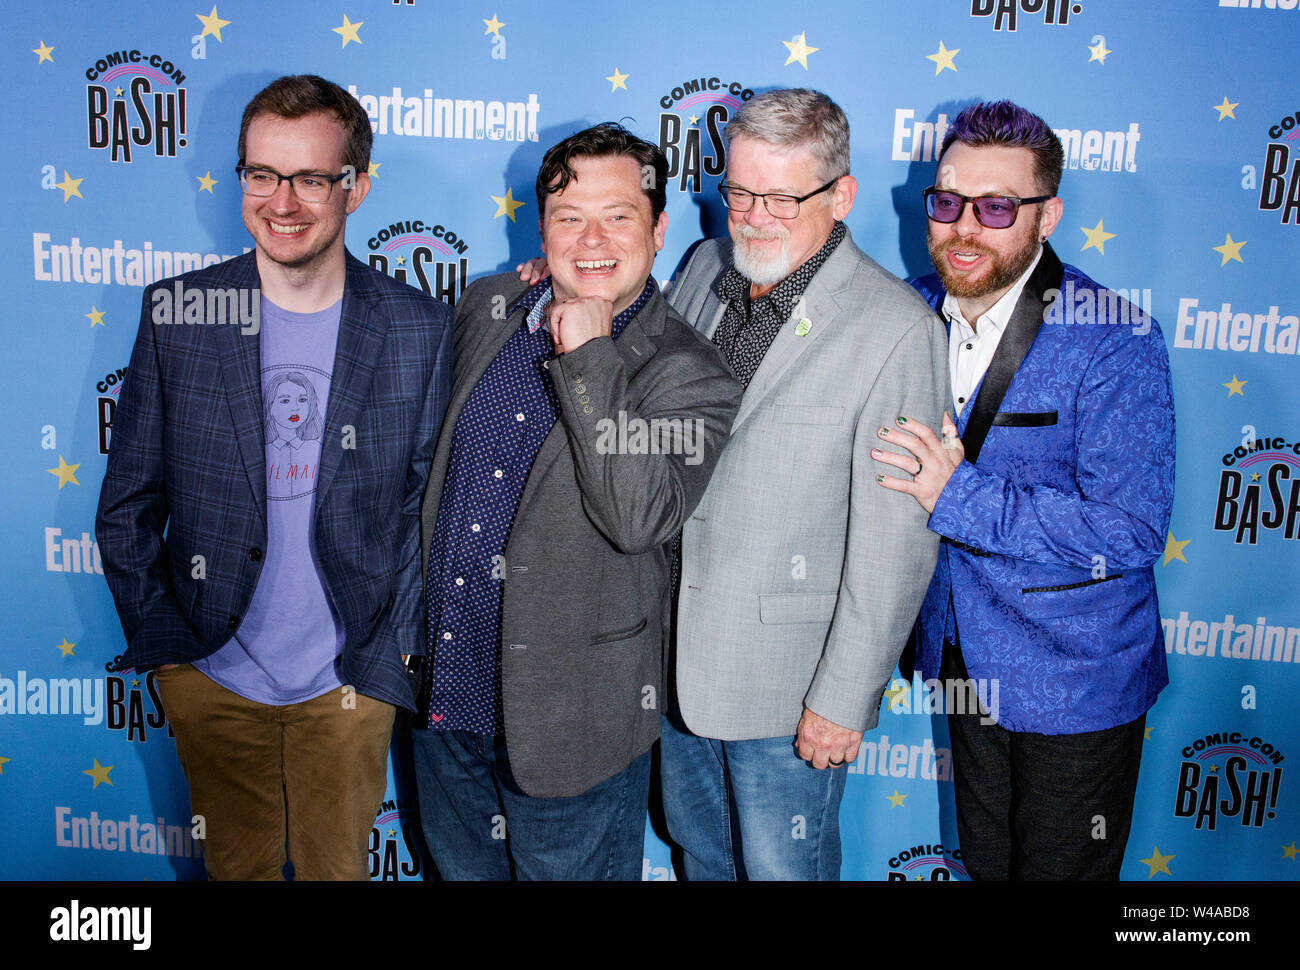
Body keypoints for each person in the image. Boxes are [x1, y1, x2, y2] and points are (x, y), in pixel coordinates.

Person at [96, 74, 452, 880]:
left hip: (349, 685)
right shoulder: (178, 313)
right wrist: (172, 659)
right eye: (261, 174)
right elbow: (127, 505)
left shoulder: (418, 326)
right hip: (212, 675)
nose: (281, 201)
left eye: (310, 178)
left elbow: (423, 511)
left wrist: (385, 662)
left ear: (354, 187)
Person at [412, 123, 741, 880]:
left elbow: (639, 519)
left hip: (572, 723)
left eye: (618, 216)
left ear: (659, 230)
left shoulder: (691, 372)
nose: (591, 238)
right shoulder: (490, 307)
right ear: (542, 230)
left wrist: (590, 357)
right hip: (447, 702)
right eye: (569, 218)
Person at [873, 100, 1175, 880]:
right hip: (966, 662)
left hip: (1077, 681)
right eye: (947, 202)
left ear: (1048, 216)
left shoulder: (1114, 337)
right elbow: (799, 311)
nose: (964, 227)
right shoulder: (906, 309)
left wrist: (959, 496)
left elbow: (1132, 530)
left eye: (997, 207)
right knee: (988, 867)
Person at [660, 89, 949, 880]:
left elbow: (897, 545)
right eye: (739, 192)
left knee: (784, 871)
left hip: (788, 689)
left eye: (780, 197)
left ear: (841, 195)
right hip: (674, 662)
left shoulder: (896, 330)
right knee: (702, 859)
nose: (752, 216)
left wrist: (843, 698)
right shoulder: (701, 270)